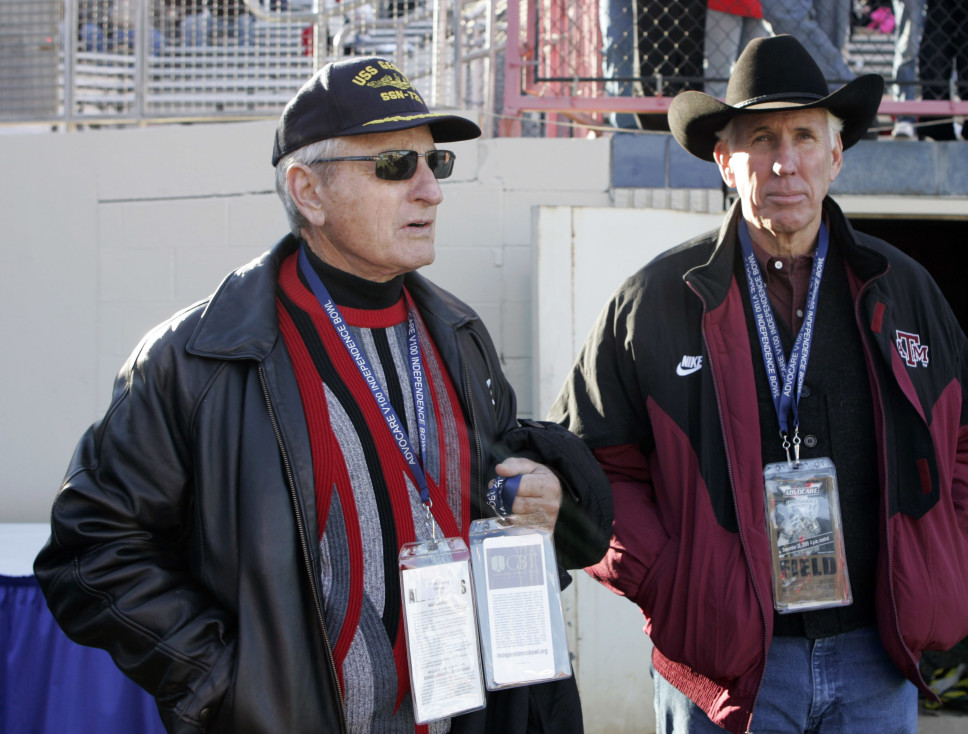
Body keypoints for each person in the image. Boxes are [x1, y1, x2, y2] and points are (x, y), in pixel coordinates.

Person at [35, 56, 612, 734]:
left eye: (437, 164)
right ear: (308, 190)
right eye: (397, 164)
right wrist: (226, 683)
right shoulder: (194, 360)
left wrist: (536, 494)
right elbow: (91, 550)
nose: (431, 190)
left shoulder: (459, 334)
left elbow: (476, 486)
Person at [551, 34, 968, 733]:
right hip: (724, 668)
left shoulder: (903, 289)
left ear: (836, 155)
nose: (784, 161)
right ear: (724, 160)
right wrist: (673, 580)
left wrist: (956, 545)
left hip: (875, 664)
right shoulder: (654, 301)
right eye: (760, 138)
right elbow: (586, 463)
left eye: (804, 135)